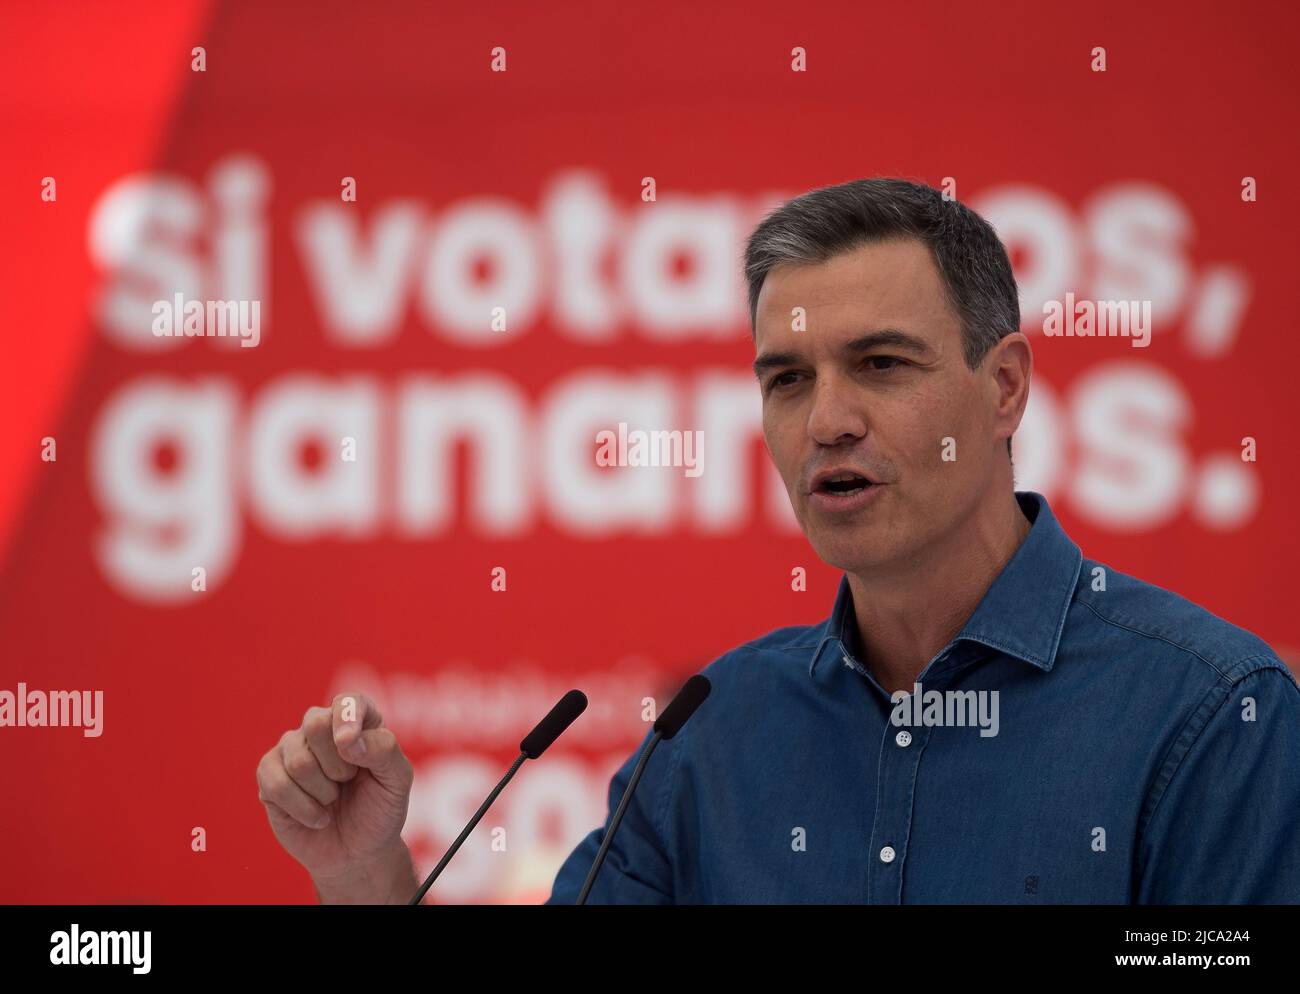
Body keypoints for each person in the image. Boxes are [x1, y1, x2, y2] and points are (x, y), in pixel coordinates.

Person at [256, 177, 1300, 904]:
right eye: (786, 380)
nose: (826, 421)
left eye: (881, 365)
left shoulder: (1209, 717)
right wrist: (363, 874)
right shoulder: (714, 737)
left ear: (1005, 388)